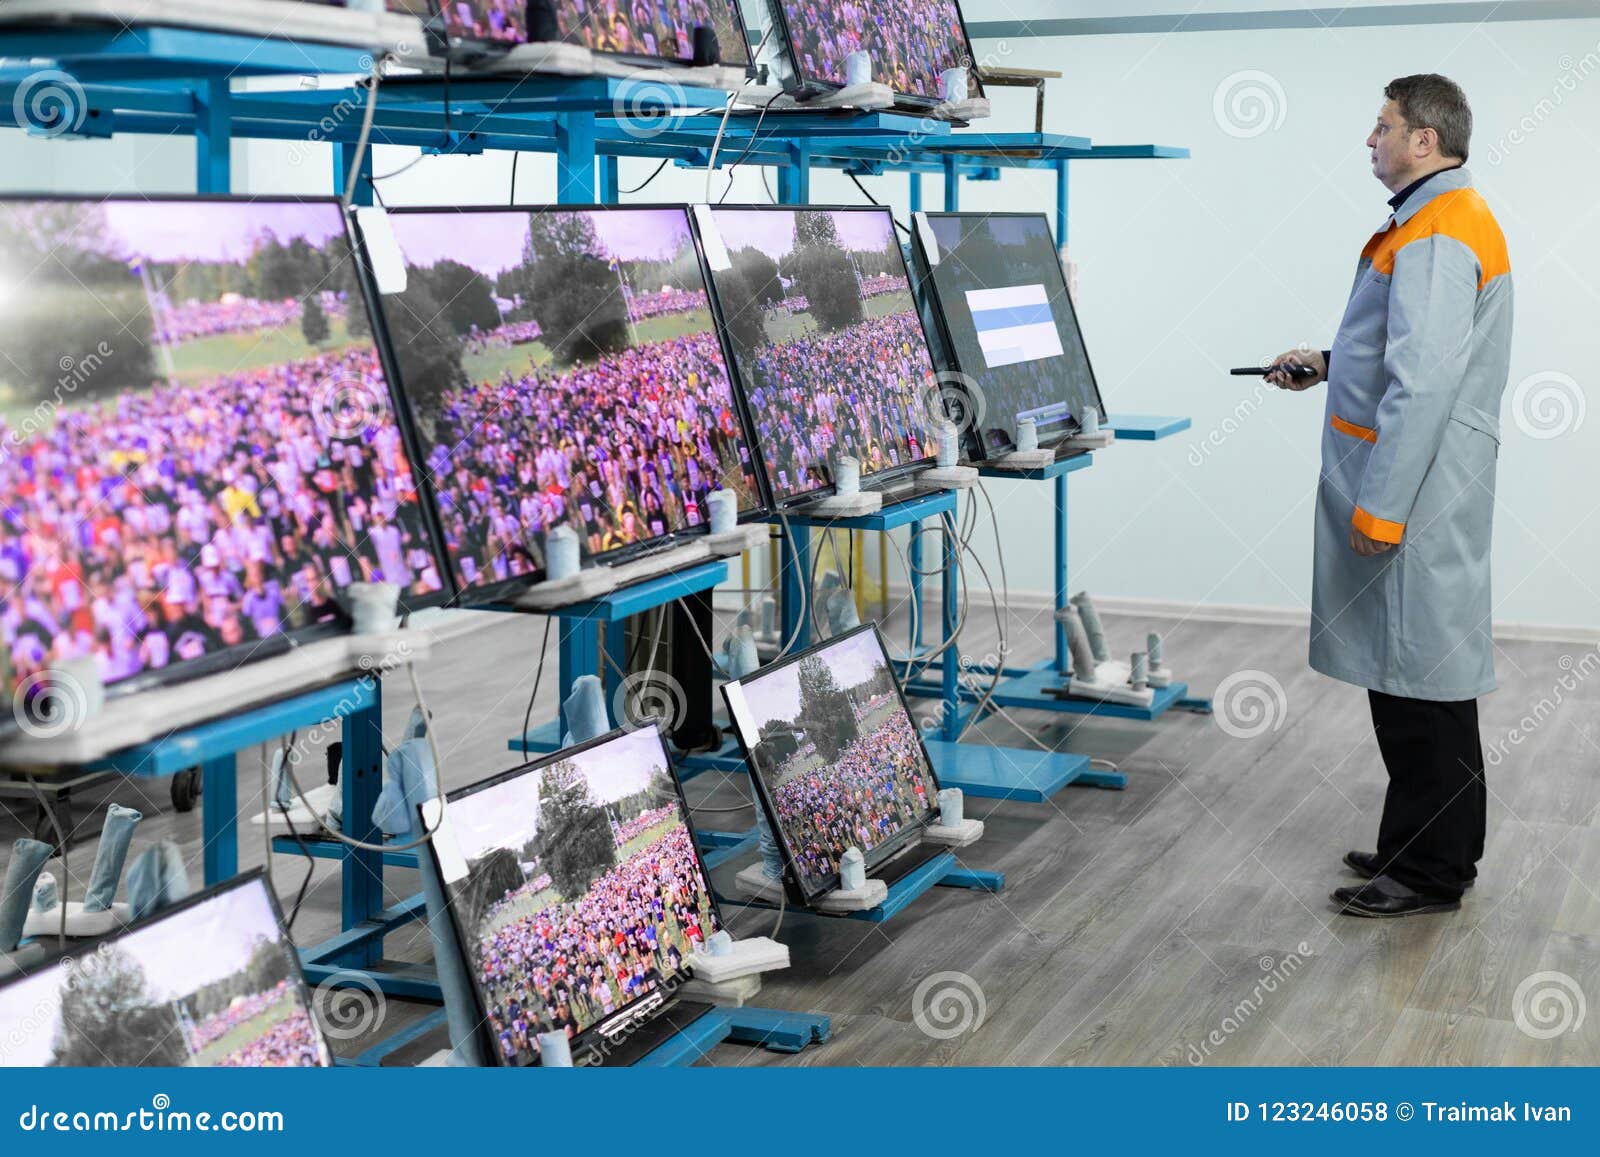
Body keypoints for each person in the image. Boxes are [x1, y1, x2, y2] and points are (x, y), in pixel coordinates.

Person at [1265, 74, 1512, 918]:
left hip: (1418, 488)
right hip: (1422, 480)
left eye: (1383, 127)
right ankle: (1421, 842)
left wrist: (1381, 508)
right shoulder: (1431, 220)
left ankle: (1430, 871)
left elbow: (1424, 385)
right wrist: (1330, 365)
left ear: (1425, 142)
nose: (1370, 140)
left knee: (1422, 686)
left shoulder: (1440, 231)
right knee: (1412, 679)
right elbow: (1409, 354)